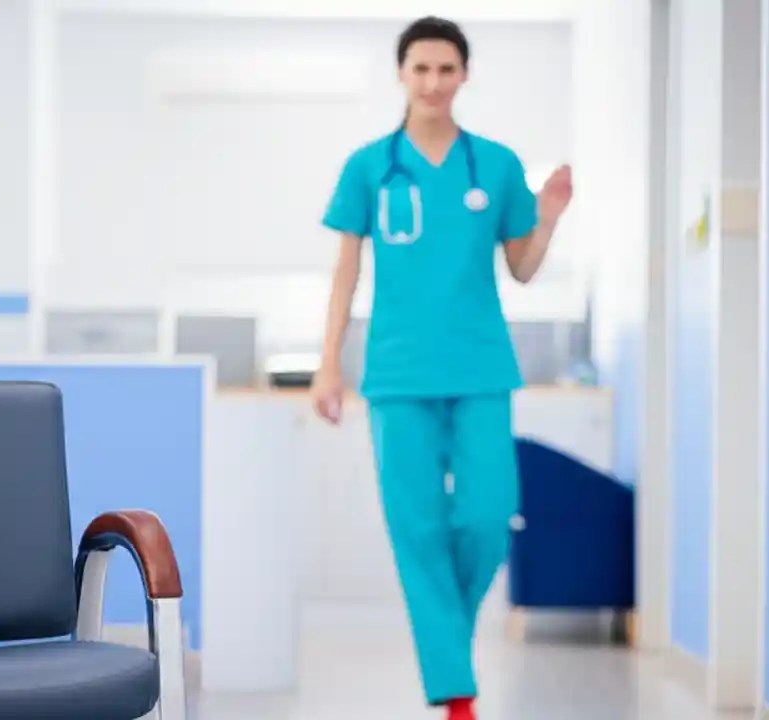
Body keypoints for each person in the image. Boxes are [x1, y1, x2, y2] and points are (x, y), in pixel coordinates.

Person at [310, 15, 574, 720]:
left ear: (464, 75)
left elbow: (520, 269)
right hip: (397, 375)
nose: (433, 82)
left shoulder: (495, 164)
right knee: (418, 528)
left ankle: (444, 643)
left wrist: (546, 219)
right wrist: (326, 365)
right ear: (401, 74)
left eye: (445, 69)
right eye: (420, 68)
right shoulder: (370, 166)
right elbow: (345, 274)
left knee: (488, 515)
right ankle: (456, 690)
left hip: (482, 368)